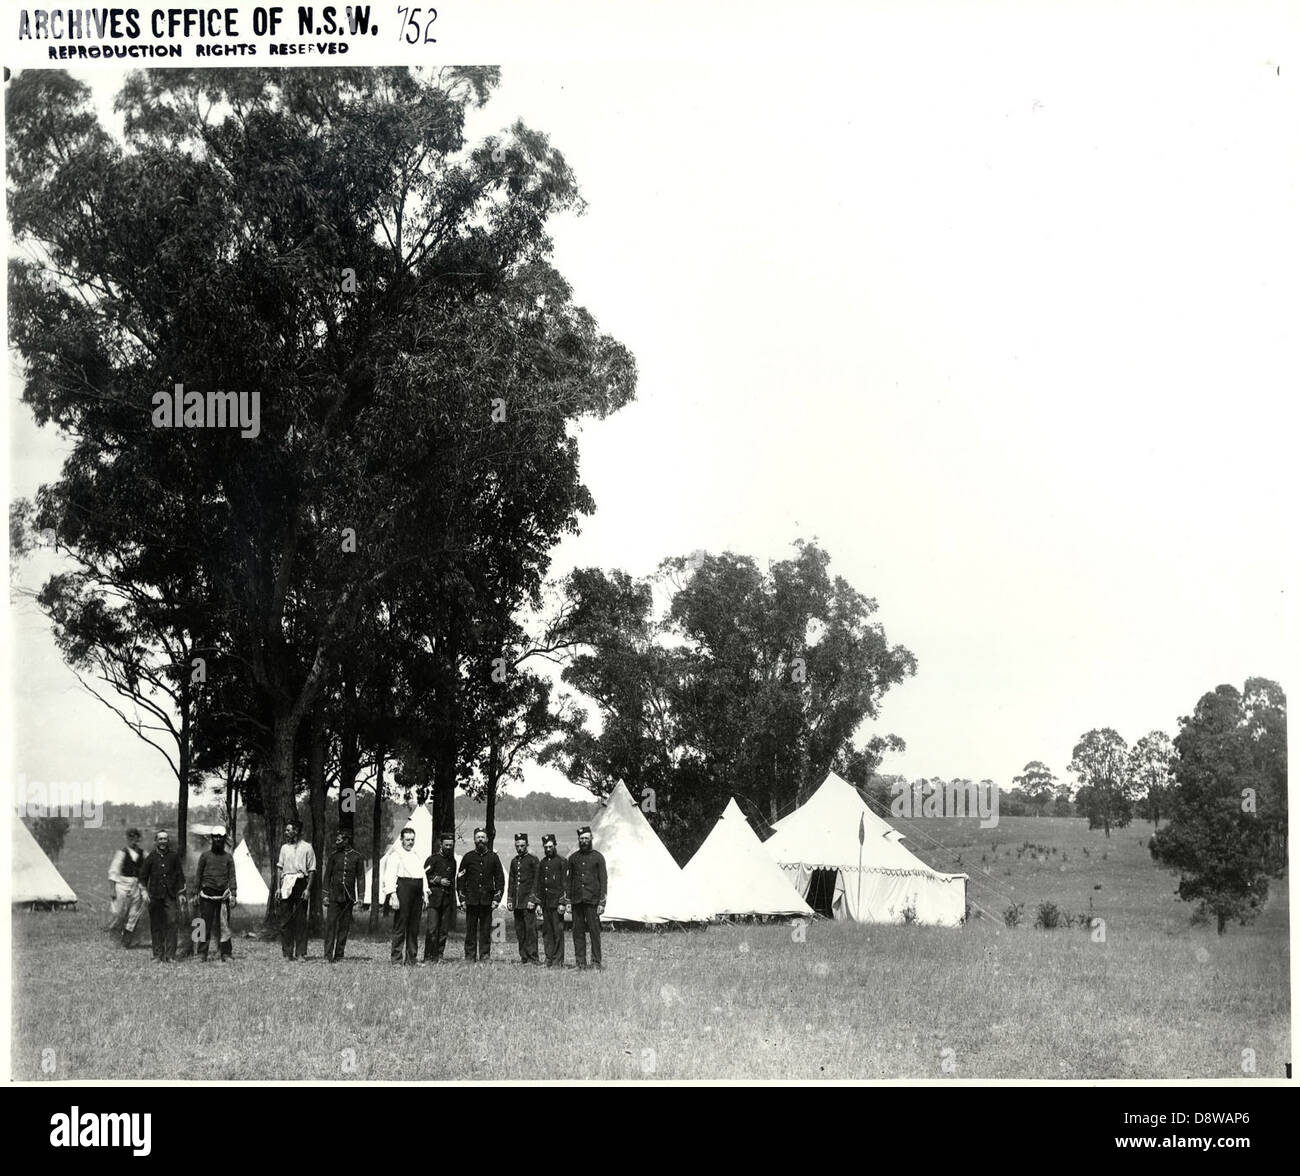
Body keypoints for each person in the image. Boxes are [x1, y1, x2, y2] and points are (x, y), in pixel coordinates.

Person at [382, 826, 428, 966]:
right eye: (407, 840)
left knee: (414, 927)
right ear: (401, 840)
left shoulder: (416, 854)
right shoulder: (396, 855)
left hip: (417, 890)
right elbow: (389, 876)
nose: (410, 842)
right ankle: (396, 959)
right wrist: (393, 895)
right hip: (403, 889)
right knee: (400, 926)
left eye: (412, 840)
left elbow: (422, 875)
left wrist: (425, 893)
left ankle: (411, 959)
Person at [456, 828, 504, 962]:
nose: (480, 840)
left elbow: (500, 879)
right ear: (474, 839)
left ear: (487, 839)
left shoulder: (493, 858)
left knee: (485, 930)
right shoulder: (468, 857)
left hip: (487, 901)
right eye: (478, 837)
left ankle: (485, 955)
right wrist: (462, 899)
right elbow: (460, 879)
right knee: (470, 931)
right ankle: (470, 956)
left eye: (483, 837)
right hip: (471, 900)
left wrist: (497, 899)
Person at [138, 829, 185, 963]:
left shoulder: (174, 857)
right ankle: (157, 955)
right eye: (160, 839)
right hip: (155, 897)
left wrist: (181, 894)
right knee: (156, 925)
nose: (163, 841)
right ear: (156, 841)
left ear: (168, 841)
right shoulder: (151, 857)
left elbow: (180, 877)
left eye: (165, 839)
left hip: (170, 897)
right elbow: (142, 877)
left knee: (172, 923)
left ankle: (170, 955)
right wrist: (144, 892)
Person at [193, 826, 237, 962]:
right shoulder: (205, 856)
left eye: (220, 837)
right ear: (212, 839)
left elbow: (232, 877)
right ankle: (201, 953)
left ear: (224, 839)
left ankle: (226, 953)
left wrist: (233, 894)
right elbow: (198, 875)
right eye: (215, 837)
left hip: (223, 896)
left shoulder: (228, 858)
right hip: (207, 895)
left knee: (224, 925)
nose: (218, 839)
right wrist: (195, 893)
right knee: (203, 925)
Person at [275, 819, 316, 961]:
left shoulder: (307, 847)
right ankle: (287, 952)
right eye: (285, 830)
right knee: (285, 920)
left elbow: (311, 870)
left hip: (300, 883)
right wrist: (278, 888)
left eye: (288, 830)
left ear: (296, 831)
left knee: (300, 920)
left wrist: (307, 889)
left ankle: (300, 953)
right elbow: (279, 869)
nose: (286, 833)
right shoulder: (284, 848)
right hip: (286, 883)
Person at [567, 825, 607, 970]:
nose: (584, 841)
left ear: (591, 839)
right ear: (578, 840)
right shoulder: (573, 858)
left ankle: (596, 963)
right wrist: (568, 901)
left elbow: (603, 880)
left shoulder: (598, 857)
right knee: (578, 933)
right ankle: (580, 963)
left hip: (592, 901)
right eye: (581, 838)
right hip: (577, 901)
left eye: (586, 838)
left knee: (594, 933)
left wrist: (602, 902)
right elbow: (569, 881)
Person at [323, 830, 366, 963]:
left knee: (344, 927)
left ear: (347, 840)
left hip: (348, 898)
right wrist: (325, 895)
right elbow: (327, 877)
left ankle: (339, 955)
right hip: (334, 896)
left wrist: (360, 897)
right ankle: (327, 955)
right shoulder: (333, 856)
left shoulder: (357, 857)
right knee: (330, 925)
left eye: (339, 840)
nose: (337, 842)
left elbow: (360, 878)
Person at [106, 827, 145, 947]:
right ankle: (113, 934)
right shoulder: (122, 853)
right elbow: (113, 871)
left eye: (135, 838)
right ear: (127, 839)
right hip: (122, 883)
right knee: (118, 911)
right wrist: (112, 889)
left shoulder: (143, 854)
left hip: (136, 884)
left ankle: (127, 939)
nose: (133, 840)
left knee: (134, 913)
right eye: (130, 838)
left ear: (139, 839)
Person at [507, 833, 541, 966]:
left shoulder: (533, 860)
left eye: (522, 845)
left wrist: (533, 899)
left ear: (527, 845)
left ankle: (533, 957)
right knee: (520, 931)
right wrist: (510, 899)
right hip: (517, 902)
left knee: (530, 930)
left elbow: (536, 881)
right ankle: (524, 957)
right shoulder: (514, 861)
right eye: (517, 846)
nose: (519, 848)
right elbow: (511, 881)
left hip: (529, 902)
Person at [423, 832, 457, 963]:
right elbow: (424, 876)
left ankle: (439, 955)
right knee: (432, 929)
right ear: (441, 844)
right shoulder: (433, 859)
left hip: (447, 900)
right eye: (446, 845)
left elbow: (452, 881)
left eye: (451, 845)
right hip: (434, 899)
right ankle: (428, 956)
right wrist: (438, 880)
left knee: (443, 930)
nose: (449, 847)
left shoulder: (452, 861)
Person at [536, 833, 569, 968]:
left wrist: (563, 902)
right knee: (547, 932)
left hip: (557, 903)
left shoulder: (562, 861)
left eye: (550, 846)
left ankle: (558, 961)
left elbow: (565, 883)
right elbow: (539, 884)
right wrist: (538, 903)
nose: (548, 849)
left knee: (557, 932)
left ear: (555, 845)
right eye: (546, 847)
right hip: (546, 903)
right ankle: (548, 959)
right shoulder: (542, 862)